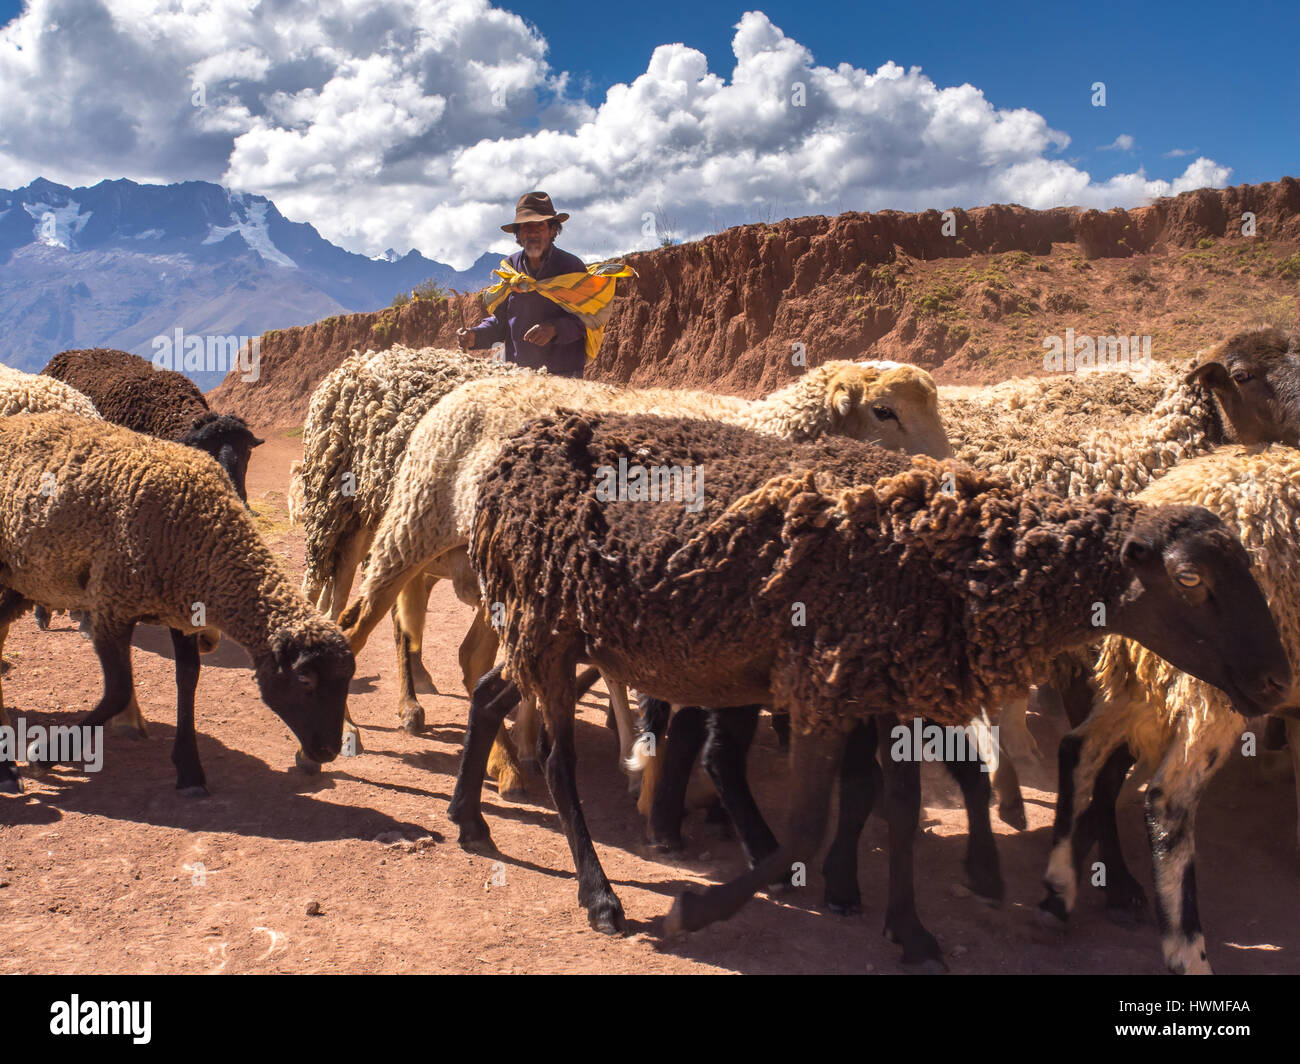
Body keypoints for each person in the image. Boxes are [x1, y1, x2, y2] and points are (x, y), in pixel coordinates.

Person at [457, 192, 590, 378]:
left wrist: (554, 328)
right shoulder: (511, 269)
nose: (533, 232)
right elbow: (501, 322)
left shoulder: (570, 268)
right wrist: (475, 336)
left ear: (553, 230)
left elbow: (587, 320)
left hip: (564, 375)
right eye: (526, 226)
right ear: (518, 234)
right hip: (519, 374)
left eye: (540, 225)